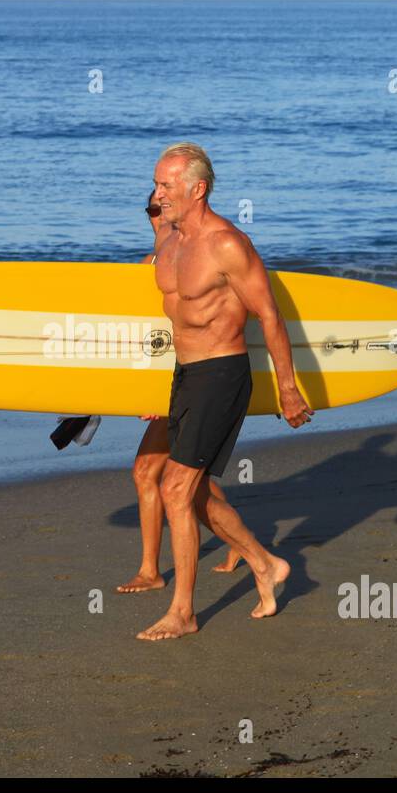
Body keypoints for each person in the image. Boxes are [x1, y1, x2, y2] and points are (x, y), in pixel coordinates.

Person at [137, 142, 313, 641]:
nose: (158, 193)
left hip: (223, 373)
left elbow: (270, 315)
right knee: (193, 499)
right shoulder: (168, 239)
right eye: (155, 184)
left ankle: (183, 613)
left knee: (174, 487)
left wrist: (288, 390)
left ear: (199, 189)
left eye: (167, 185)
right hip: (185, 374)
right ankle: (265, 563)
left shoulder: (227, 244)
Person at [118, 190, 244, 594]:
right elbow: (148, 338)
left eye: (163, 209)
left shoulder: (195, 256)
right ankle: (239, 546)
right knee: (188, 479)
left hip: (193, 381)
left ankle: (152, 571)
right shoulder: (149, 264)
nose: (157, 216)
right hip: (171, 384)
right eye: (151, 210)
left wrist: (158, 396)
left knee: (159, 475)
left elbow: (194, 330)